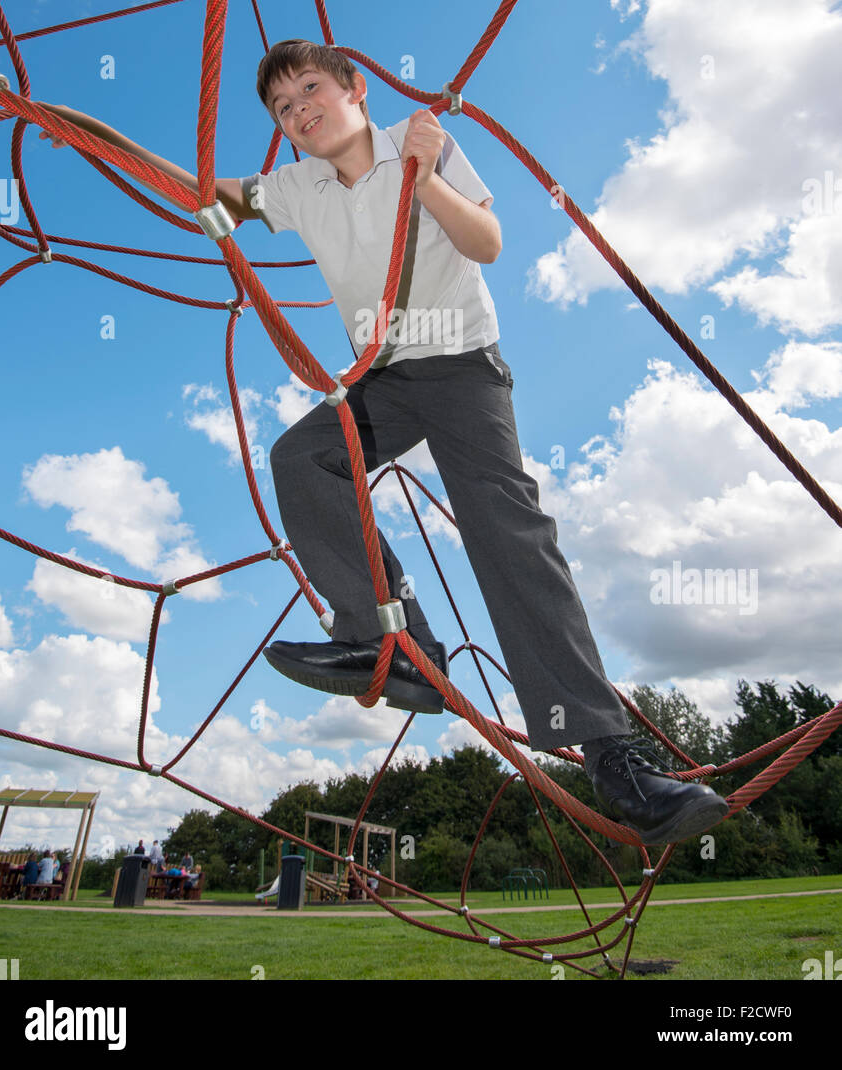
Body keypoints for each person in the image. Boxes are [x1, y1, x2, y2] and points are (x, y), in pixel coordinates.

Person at [39, 42, 729, 847]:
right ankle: (389, 638)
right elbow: (203, 189)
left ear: (355, 90)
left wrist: (427, 176)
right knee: (305, 458)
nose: (300, 111)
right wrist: (87, 130)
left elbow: (486, 245)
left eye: (310, 90)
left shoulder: (417, 140)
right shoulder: (298, 187)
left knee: (505, 531)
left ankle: (612, 758)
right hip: (387, 378)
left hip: (464, 366)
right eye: (283, 109)